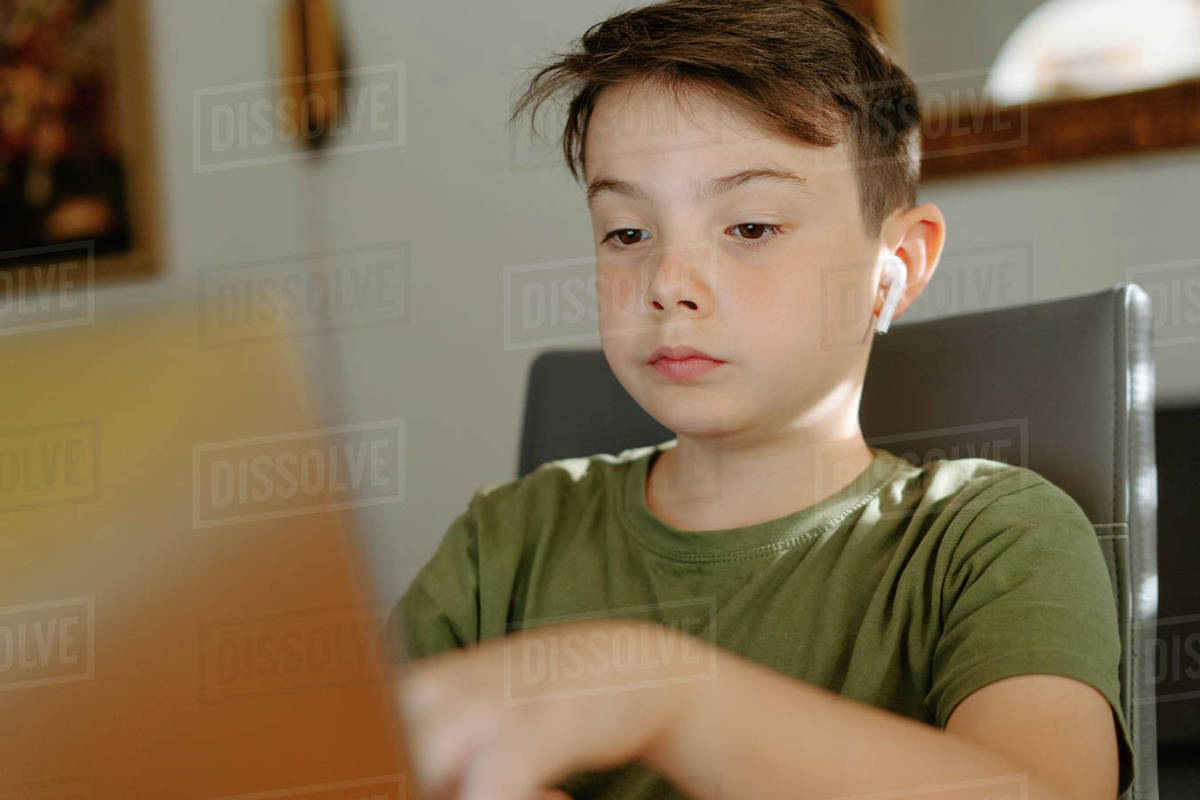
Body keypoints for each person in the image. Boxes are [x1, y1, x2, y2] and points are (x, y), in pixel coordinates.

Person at [390, 2, 1134, 798]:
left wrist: (661, 695)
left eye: (749, 227)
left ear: (899, 264)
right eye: (627, 233)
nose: (669, 284)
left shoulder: (990, 538)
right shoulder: (504, 544)